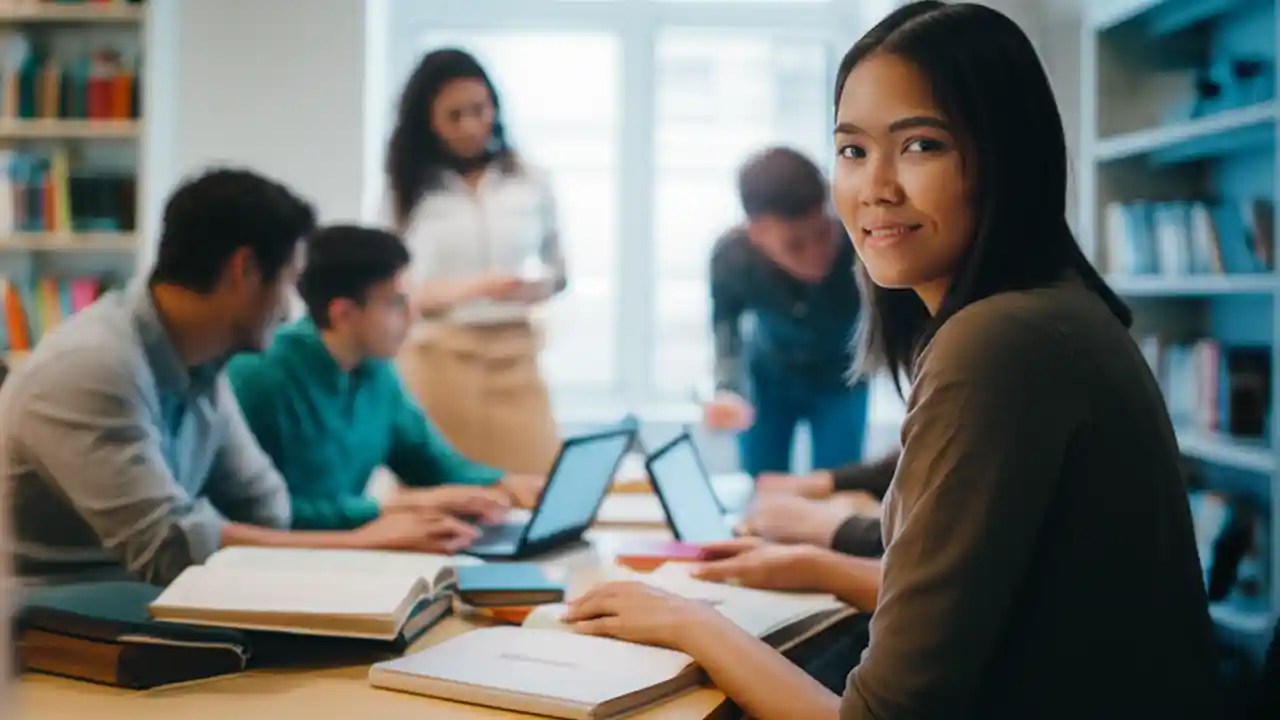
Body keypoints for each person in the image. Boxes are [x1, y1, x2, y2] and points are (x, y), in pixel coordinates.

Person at [562, 4, 1221, 718]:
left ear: (1008, 157)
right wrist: (816, 564)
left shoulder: (1000, 342)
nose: (875, 186)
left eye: (921, 145)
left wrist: (689, 620)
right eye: (852, 150)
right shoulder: (1050, 311)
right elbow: (1000, 589)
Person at [0, 169, 475, 587]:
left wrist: (377, 534)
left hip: (139, 596)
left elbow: (266, 507)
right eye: (288, 281)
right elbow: (170, 547)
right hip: (52, 612)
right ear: (244, 271)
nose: (291, 308)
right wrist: (368, 543)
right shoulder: (94, 367)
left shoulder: (204, 360)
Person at [226, 225, 547, 535]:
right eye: (396, 303)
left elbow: (429, 461)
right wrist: (393, 508)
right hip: (279, 560)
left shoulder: (376, 370)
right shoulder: (260, 376)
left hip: (345, 552)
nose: (413, 315)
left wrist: (504, 484)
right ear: (343, 314)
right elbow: (258, 512)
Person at [386, 48, 565, 475]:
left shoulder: (530, 180)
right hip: (439, 358)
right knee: (441, 495)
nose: (471, 125)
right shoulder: (406, 191)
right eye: (454, 115)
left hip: (515, 355)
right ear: (428, 121)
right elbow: (393, 290)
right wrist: (477, 287)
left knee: (538, 482)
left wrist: (532, 287)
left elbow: (559, 273)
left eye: (479, 110)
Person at [702, 147, 869, 478]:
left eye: (823, 234)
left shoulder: (862, 245)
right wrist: (728, 390)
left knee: (842, 483)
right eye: (795, 245)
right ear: (757, 234)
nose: (815, 254)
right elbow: (726, 334)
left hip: (843, 378)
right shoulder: (731, 258)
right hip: (767, 381)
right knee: (763, 485)